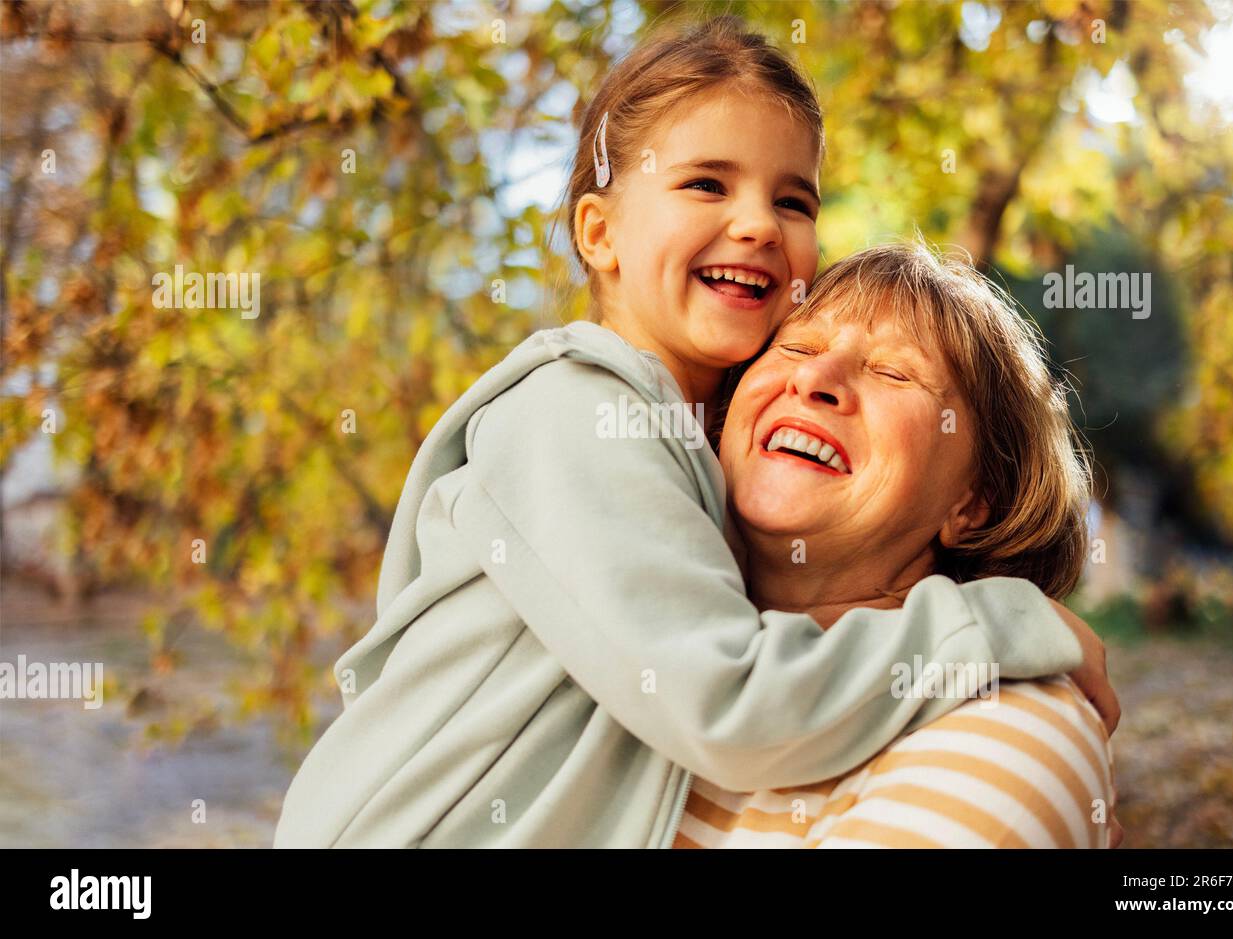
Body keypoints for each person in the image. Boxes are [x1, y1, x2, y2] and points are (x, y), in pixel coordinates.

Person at [273, 17, 1115, 849]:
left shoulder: (680, 458)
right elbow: (725, 702)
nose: (756, 223)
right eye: (707, 185)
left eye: (792, 199)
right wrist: (994, 624)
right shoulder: (578, 413)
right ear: (598, 232)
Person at [674, 242, 1119, 848]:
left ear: (973, 501)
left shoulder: (1010, 733)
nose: (814, 378)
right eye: (798, 346)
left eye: (894, 371)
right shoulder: (632, 648)